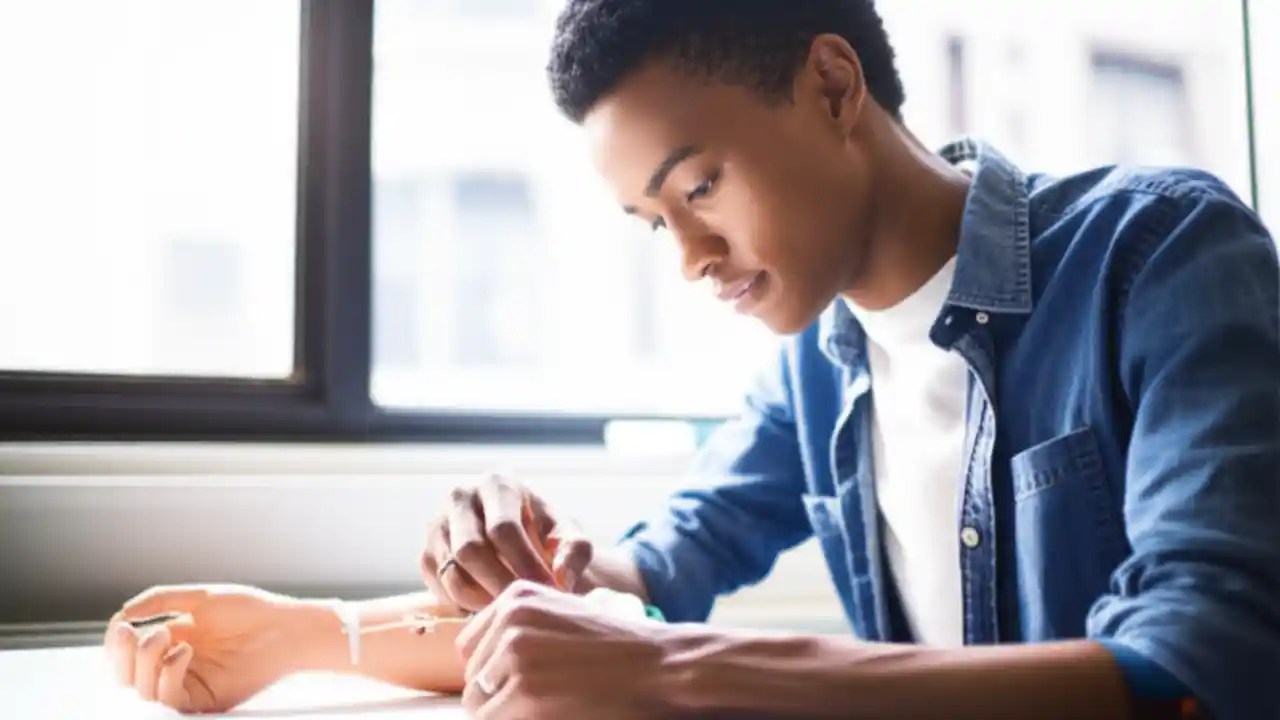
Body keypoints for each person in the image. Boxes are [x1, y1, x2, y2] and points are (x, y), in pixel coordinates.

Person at [106, 1, 1280, 718]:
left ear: (830, 85)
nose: (690, 260)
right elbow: (627, 588)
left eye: (699, 187)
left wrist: (677, 678)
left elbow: (1201, 670)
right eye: (651, 222)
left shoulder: (1158, 249)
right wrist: (314, 636)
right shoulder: (819, 365)